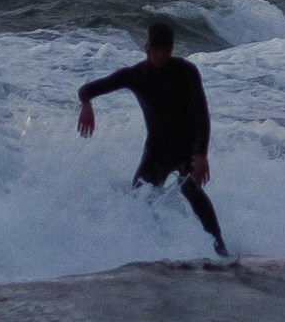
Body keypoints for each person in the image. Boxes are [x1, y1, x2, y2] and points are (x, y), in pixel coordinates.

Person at [77, 18, 231, 257]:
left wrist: (201, 154)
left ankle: (220, 247)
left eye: (165, 50)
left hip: (186, 147)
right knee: (139, 198)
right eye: (155, 49)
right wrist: (86, 104)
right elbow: (88, 89)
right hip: (157, 151)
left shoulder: (186, 71)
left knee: (190, 190)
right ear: (147, 47)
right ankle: (146, 251)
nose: (160, 55)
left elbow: (202, 114)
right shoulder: (135, 75)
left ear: (171, 50)